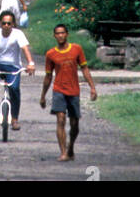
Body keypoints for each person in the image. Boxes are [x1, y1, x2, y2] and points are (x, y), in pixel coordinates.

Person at [39, 22, 97, 161]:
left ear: (67, 34)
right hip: (59, 89)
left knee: (74, 124)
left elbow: (84, 68)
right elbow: (48, 76)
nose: (60, 36)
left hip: (74, 90)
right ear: (54, 36)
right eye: (57, 33)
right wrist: (43, 96)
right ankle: (63, 152)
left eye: (62, 33)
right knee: (60, 119)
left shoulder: (76, 49)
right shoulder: (51, 54)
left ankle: (71, 146)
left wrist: (92, 87)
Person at [0, 10, 35, 130]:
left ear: (13, 24)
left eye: (9, 23)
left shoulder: (18, 34)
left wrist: (30, 64)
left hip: (14, 67)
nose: (6, 26)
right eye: (4, 23)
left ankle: (14, 119)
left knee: (14, 89)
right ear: (0, 23)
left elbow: (25, 49)